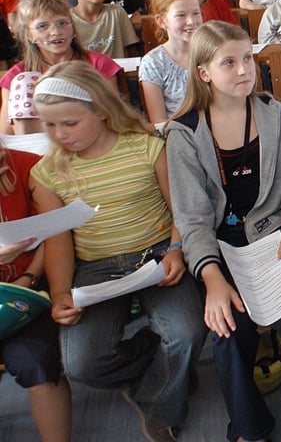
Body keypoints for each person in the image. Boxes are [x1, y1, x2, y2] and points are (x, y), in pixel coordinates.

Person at [166, 21, 281, 442]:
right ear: (204, 72)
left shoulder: (271, 111)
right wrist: (211, 280)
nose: (245, 69)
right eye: (229, 62)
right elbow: (192, 220)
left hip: (274, 237)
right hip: (223, 250)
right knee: (228, 327)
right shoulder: (185, 134)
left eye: (248, 58)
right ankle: (249, 428)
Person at [32, 61, 206, 442]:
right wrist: (61, 293)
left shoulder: (146, 147)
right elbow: (58, 241)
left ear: (100, 109)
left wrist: (176, 248)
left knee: (187, 335)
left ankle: (159, 402)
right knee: (82, 365)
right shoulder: (48, 173)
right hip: (97, 268)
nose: (60, 134)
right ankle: (159, 365)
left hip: (158, 255)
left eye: (70, 123)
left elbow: (180, 207)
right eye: (49, 125)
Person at [0, 142, 73, 442]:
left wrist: (29, 276)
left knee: (36, 359)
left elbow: (55, 232)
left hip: (27, 288)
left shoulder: (28, 166)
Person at [1, 0, 121, 135]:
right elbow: (6, 134)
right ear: (28, 34)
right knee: (24, 82)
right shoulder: (17, 75)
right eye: (42, 26)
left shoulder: (98, 63)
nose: (56, 31)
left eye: (63, 23)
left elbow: (114, 115)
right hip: (38, 150)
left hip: (92, 139)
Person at [139, 0, 203, 124]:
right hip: (181, 136)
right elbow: (159, 121)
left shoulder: (211, 51)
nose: (191, 21)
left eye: (196, 13)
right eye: (181, 15)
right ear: (162, 21)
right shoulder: (153, 62)